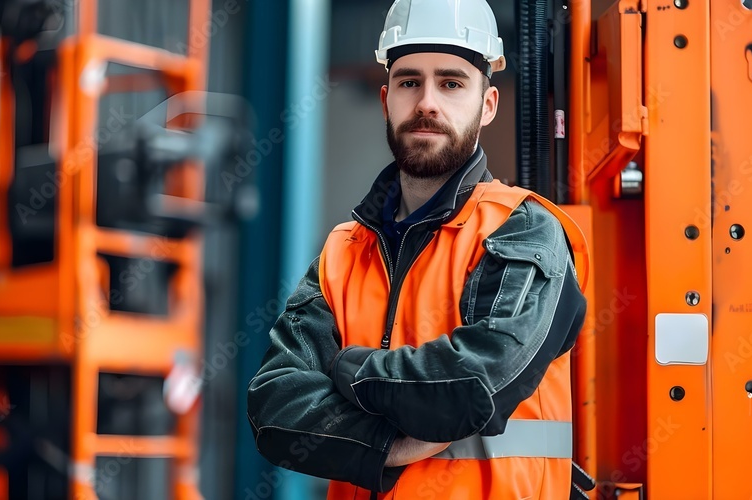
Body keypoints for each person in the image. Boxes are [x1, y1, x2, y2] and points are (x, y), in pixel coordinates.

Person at [247, 0, 592, 498]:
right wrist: (388, 445)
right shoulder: (343, 252)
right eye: (410, 82)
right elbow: (274, 407)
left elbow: (473, 387)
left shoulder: (523, 230)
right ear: (387, 98)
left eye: (451, 83)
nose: (427, 102)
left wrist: (349, 369)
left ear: (487, 105)